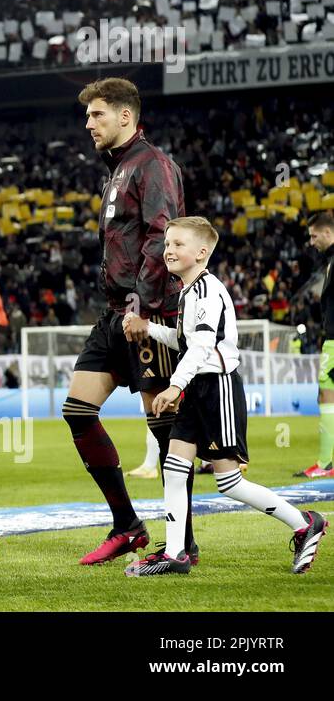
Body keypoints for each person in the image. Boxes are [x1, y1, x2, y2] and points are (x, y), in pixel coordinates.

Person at [123, 216, 326, 575]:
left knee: (229, 481)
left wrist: (174, 386)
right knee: (173, 466)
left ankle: (304, 522)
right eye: (167, 243)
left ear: (202, 252)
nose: (169, 250)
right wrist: (149, 328)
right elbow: (185, 341)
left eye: (178, 244)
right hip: (198, 387)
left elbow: (201, 348)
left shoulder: (206, 290)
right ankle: (175, 554)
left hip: (216, 387)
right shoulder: (189, 291)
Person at [63, 79, 193, 566]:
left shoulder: (152, 165)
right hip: (115, 312)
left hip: (149, 311)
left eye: (97, 115)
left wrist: (143, 301)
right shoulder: (116, 170)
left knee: (165, 430)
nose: (88, 123)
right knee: (77, 411)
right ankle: (128, 525)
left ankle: (183, 544)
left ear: (125, 116)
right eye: (88, 115)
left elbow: (163, 236)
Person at [294, 211, 334, 478]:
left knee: (327, 395)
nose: (311, 241)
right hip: (330, 338)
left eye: (314, 235)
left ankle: (325, 463)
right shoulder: (329, 261)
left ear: (328, 233)